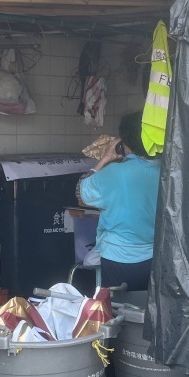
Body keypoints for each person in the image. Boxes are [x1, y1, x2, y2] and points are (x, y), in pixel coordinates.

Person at [77, 112, 161, 291]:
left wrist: (105, 159)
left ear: (123, 142)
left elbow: (81, 194)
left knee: (116, 311)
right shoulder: (166, 171)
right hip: (155, 256)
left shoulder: (114, 172)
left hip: (117, 257)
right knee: (146, 312)